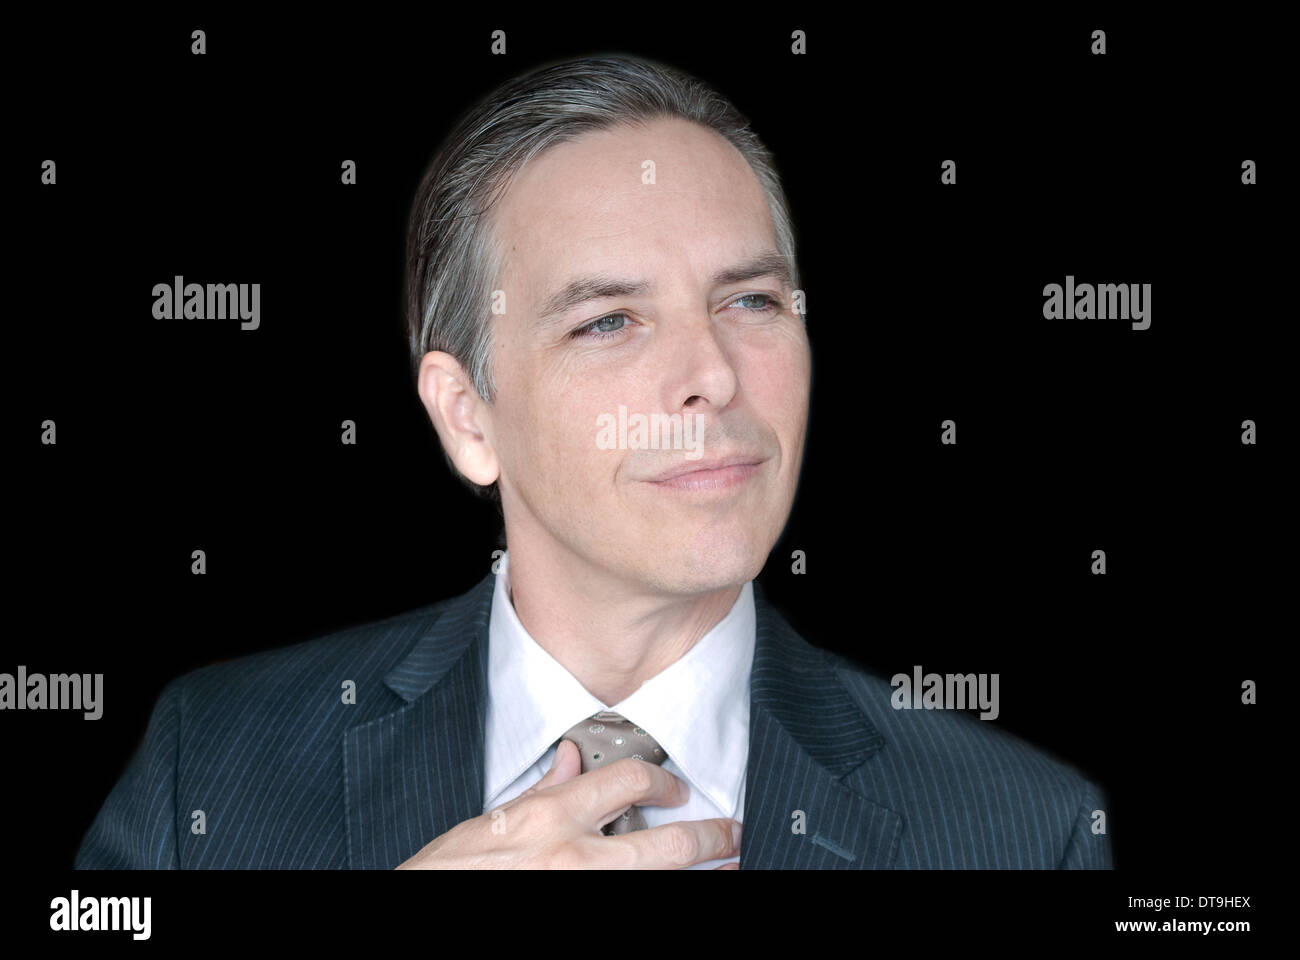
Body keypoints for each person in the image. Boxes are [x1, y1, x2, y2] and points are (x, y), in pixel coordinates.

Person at [75, 54, 1112, 870]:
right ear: (466, 415)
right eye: (609, 321)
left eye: (750, 301)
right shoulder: (209, 762)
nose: (710, 372)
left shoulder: (1029, 833)